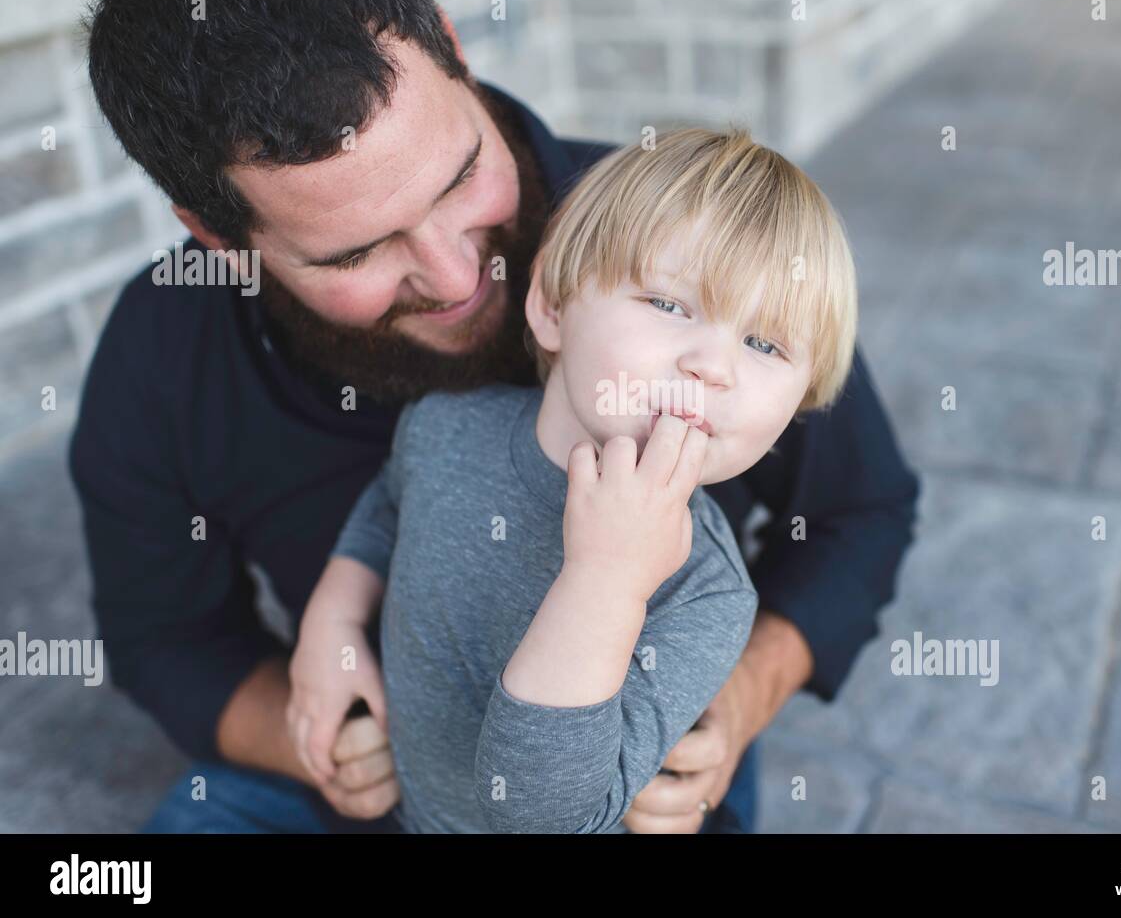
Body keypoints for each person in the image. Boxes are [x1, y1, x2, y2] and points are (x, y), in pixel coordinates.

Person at [72, 0, 921, 834]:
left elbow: (861, 513)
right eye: (354, 254)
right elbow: (163, 637)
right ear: (216, 236)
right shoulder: (164, 347)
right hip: (357, 743)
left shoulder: (683, 240)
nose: (456, 278)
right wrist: (320, 738)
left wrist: (738, 699)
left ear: (452, 46)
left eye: (460, 178)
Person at [286, 127, 859, 833]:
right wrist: (334, 619)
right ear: (552, 307)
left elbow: (541, 815)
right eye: (669, 304)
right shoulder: (445, 423)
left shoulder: (705, 593)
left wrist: (606, 580)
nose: (714, 366)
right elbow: (388, 507)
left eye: (764, 344)